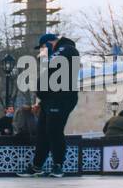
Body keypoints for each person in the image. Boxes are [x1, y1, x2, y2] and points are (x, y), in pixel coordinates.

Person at [18, 32, 80, 177]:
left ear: (50, 43)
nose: (41, 52)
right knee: (42, 132)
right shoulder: (55, 54)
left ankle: (58, 165)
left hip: (62, 97)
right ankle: (37, 165)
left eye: (42, 48)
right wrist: (40, 100)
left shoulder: (67, 49)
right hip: (50, 99)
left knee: (54, 130)